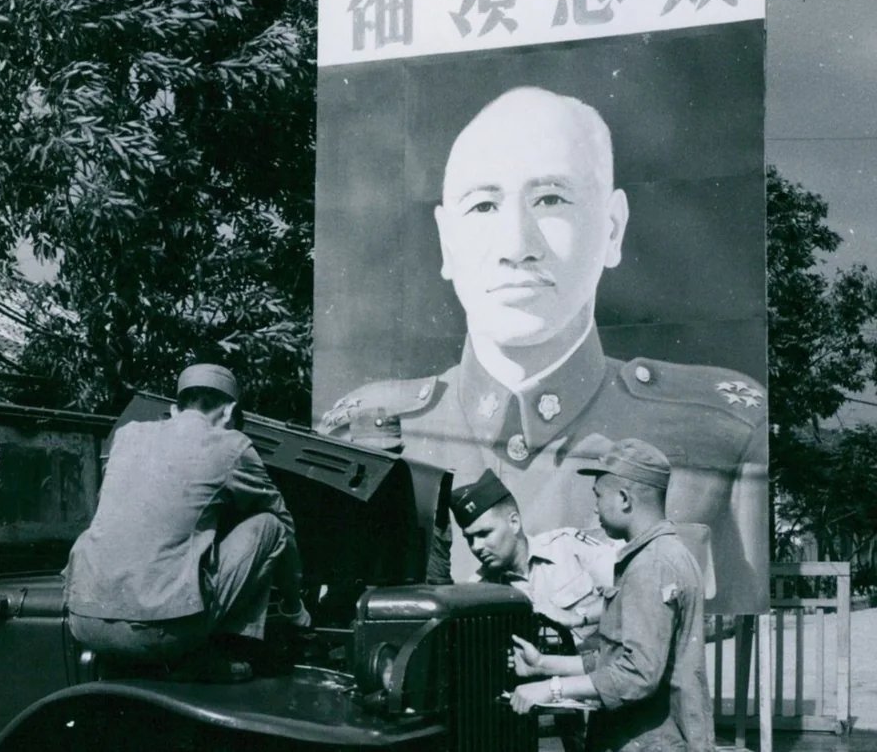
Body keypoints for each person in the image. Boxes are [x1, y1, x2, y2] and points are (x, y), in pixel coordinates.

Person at [319, 86, 766, 613]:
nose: (516, 245)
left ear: (612, 227)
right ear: (446, 243)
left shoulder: (722, 430)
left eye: (550, 199)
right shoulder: (358, 431)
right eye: (483, 205)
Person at [65, 362, 309, 681]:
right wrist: (295, 608)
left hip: (84, 622)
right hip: (162, 635)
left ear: (174, 409)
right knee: (270, 526)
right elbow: (283, 524)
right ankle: (205, 655)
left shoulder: (126, 436)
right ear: (230, 411)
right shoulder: (232, 445)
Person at [508, 438, 714, 751]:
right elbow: (617, 659)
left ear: (623, 499)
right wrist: (543, 664)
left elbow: (637, 674)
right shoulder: (662, 555)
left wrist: (550, 689)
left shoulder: (651, 565)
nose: (595, 508)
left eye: (598, 496)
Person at [450, 468, 616, 652]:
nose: (476, 546)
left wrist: (578, 615)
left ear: (514, 523)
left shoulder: (568, 546)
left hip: (602, 669)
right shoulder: (480, 590)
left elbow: (631, 596)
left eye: (484, 533)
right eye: (469, 539)